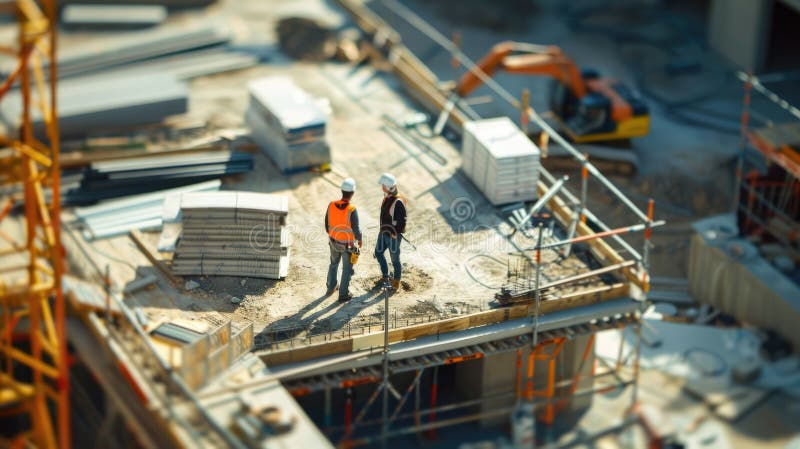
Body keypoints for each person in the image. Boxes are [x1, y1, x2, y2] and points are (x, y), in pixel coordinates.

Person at [325, 177, 362, 302]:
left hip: (333, 241)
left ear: (342, 191)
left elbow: (326, 224)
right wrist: (360, 239)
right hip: (347, 245)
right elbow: (356, 229)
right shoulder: (352, 209)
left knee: (333, 264)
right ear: (352, 193)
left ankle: (331, 287)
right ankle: (343, 294)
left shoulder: (331, 204)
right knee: (346, 269)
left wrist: (333, 235)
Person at [375, 173, 406, 290]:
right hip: (383, 232)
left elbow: (402, 221)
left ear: (388, 187)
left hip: (393, 236)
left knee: (395, 260)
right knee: (378, 253)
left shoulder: (398, 201)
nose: (381, 186)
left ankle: (396, 281)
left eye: (383, 185)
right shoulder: (387, 196)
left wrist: (394, 233)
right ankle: (385, 276)